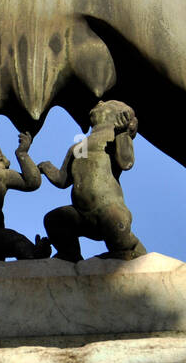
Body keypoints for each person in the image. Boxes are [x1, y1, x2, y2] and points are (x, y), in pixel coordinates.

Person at [39, 100, 147, 261]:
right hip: (80, 214)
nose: (100, 102)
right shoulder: (80, 146)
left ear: (118, 115)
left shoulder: (114, 138)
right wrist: (47, 168)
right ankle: (71, 255)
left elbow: (126, 162)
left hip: (108, 210)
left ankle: (134, 249)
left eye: (106, 104)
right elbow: (63, 180)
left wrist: (123, 134)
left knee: (119, 238)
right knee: (54, 219)